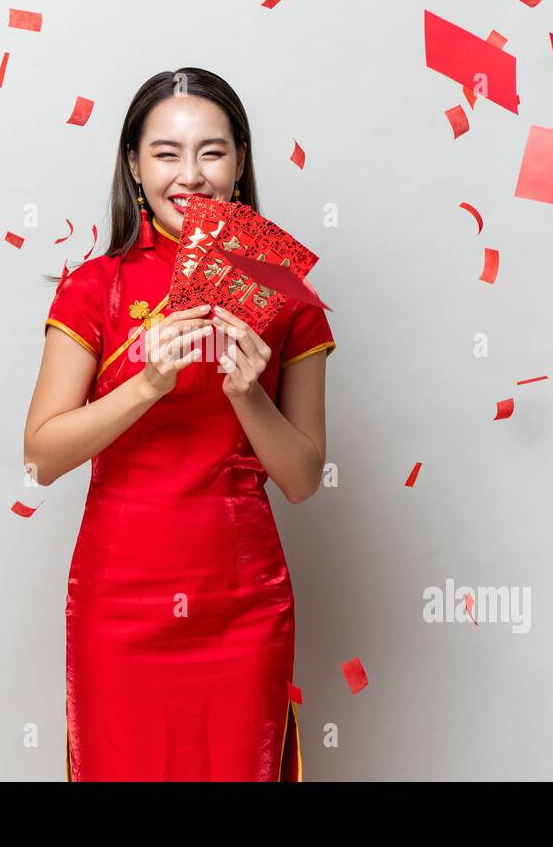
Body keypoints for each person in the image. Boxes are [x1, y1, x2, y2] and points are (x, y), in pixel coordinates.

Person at [23, 68, 336, 781]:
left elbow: (303, 479)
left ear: (241, 162)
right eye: (166, 152)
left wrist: (247, 392)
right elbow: (40, 456)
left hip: (242, 607)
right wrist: (150, 382)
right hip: (118, 604)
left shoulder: (288, 298)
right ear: (133, 164)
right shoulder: (92, 287)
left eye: (212, 151)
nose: (189, 173)